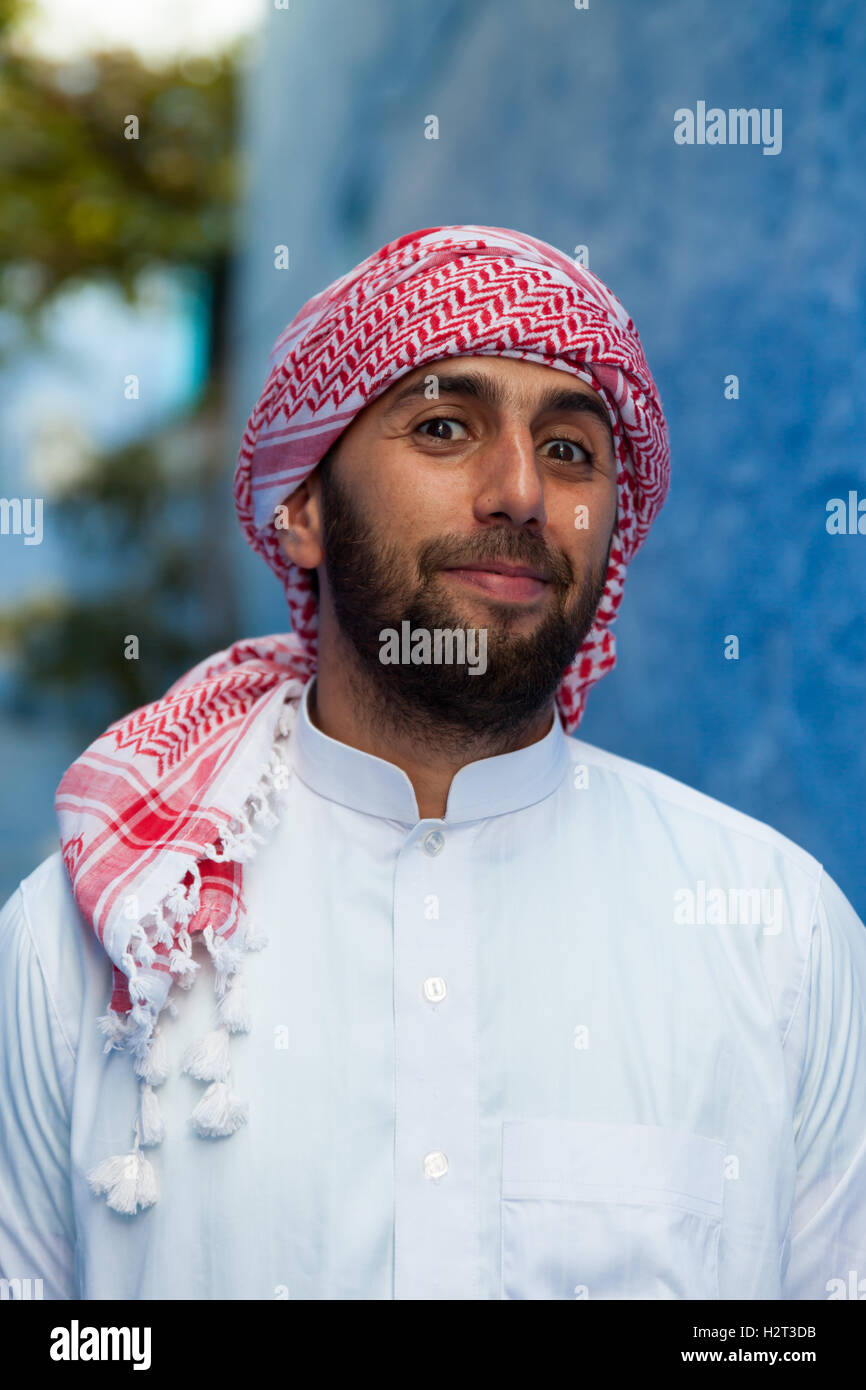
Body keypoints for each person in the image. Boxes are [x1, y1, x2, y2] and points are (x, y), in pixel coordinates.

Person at [0, 224, 864, 1301]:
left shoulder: (775, 931)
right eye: (445, 426)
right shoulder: (82, 949)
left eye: (568, 450)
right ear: (304, 508)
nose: (518, 493)